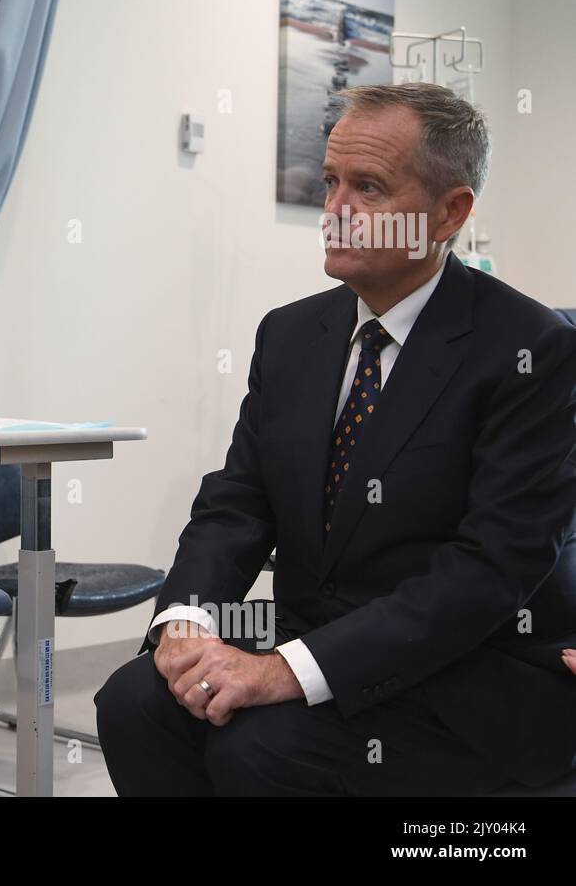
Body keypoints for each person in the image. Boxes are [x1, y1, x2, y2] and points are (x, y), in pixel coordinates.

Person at [95, 82, 576, 796]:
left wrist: (286, 671)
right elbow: (238, 502)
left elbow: (488, 572)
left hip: (467, 671)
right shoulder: (290, 334)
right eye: (330, 182)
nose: (335, 211)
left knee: (258, 753)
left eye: (369, 188)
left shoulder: (530, 350)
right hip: (311, 633)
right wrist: (187, 621)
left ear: (452, 212)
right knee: (135, 702)